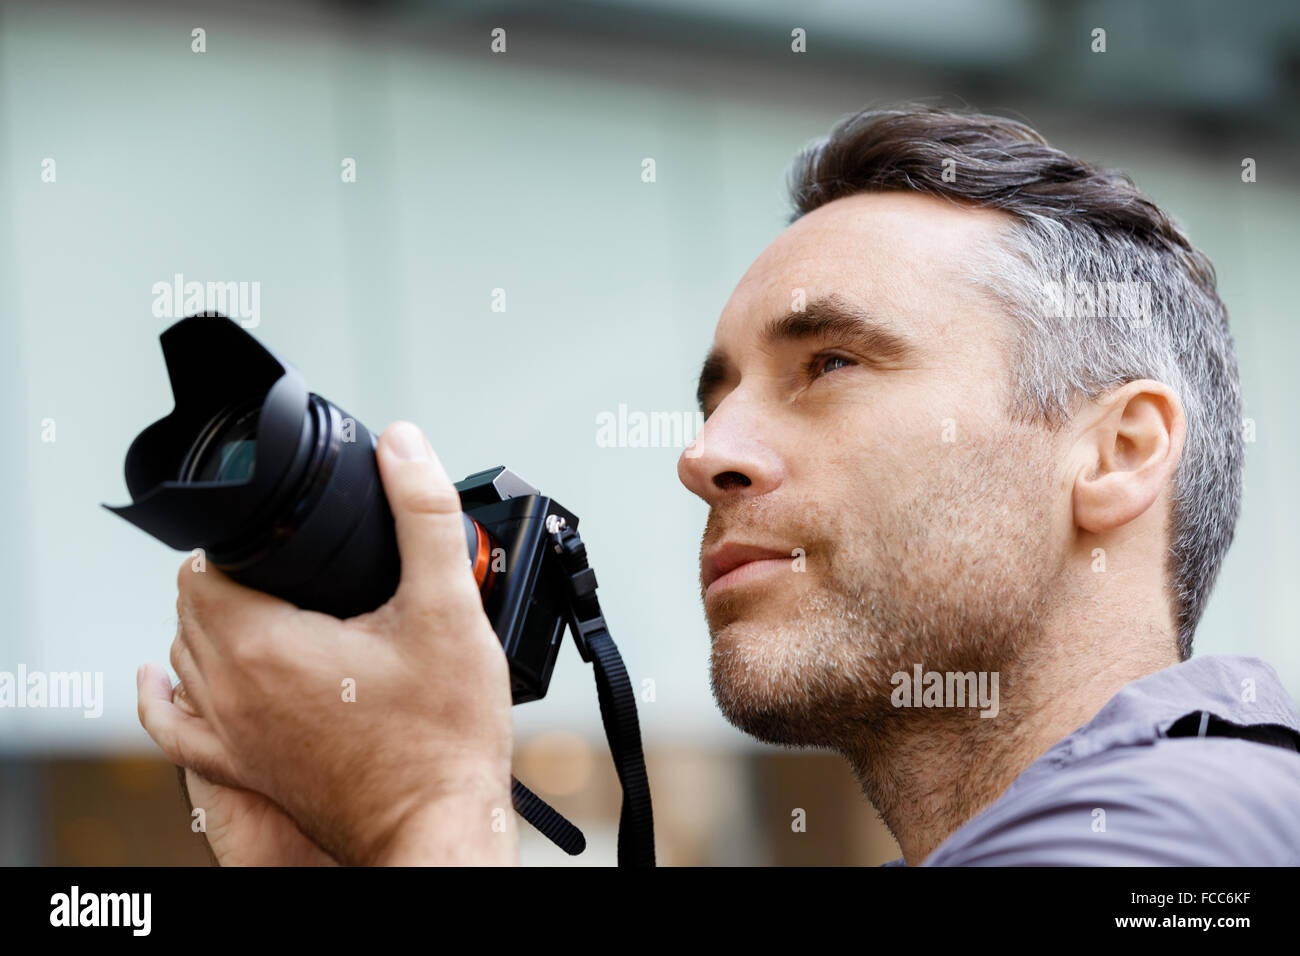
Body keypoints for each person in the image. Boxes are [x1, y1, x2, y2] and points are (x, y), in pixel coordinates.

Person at [138, 105, 1300, 866]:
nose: (705, 454)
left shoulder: (1189, 834)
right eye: (713, 397)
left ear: (1119, 452)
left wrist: (425, 815)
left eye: (831, 363)